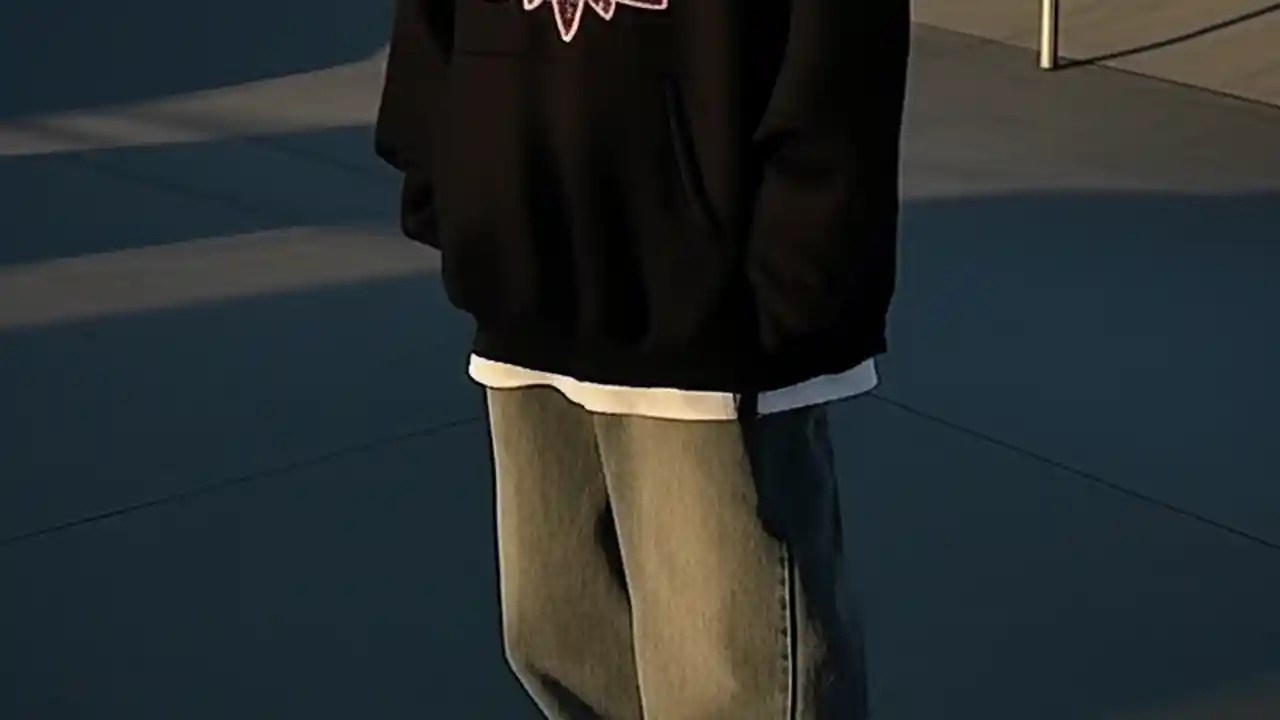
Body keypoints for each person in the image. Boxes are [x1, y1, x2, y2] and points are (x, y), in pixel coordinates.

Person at [374, 0, 910, 717]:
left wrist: (792, 271)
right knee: (561, 647)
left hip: (710, 333)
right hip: (527, 269)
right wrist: (455, 179)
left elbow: (841, 40)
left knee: (729, 681)